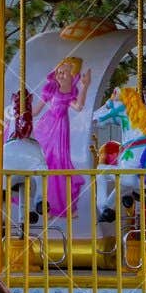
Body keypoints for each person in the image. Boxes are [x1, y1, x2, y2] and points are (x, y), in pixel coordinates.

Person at [33, 56, 91, 219]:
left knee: (59, 163)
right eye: (59, 72)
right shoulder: (51, 89)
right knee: (45, 160)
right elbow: (37, 110)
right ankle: (44, 203)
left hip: (60, 130)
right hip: (47, 127)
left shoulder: (71, 93)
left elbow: (79, 107)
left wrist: (85, 86)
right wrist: (21, 112)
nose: (60, 75)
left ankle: (61, 207)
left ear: (73, 75)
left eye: (64, 72)